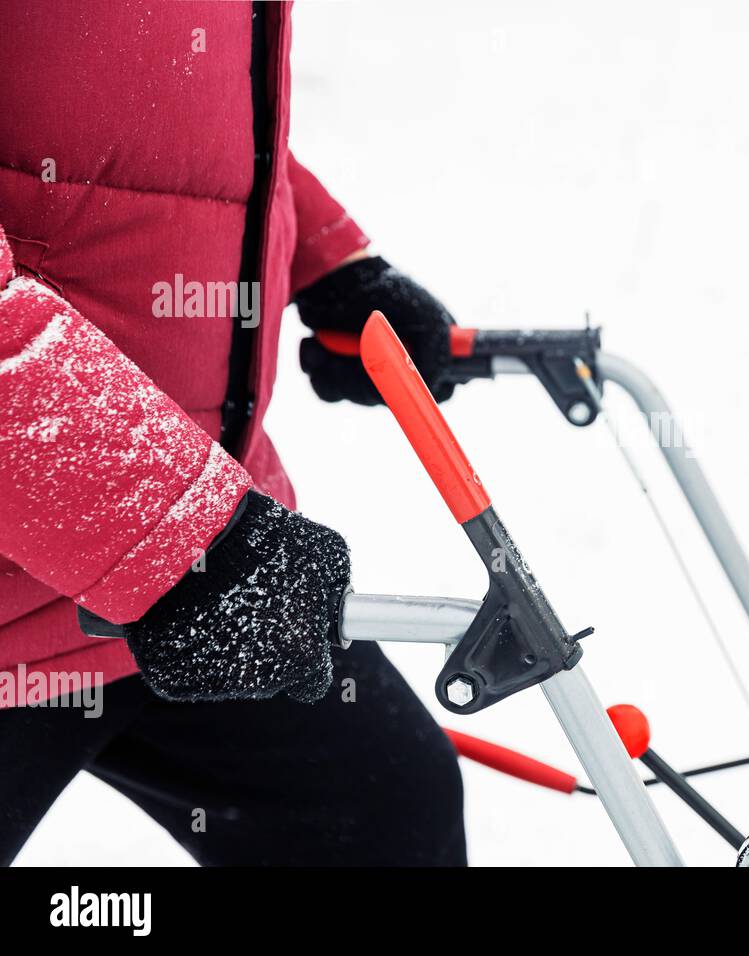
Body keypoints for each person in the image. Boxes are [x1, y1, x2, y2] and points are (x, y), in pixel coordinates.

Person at [0, 1, 466, 866]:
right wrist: (168, 534)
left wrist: (329, 260)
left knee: (382, 815)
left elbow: (171, 108)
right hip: (126, 573)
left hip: (189, 580)